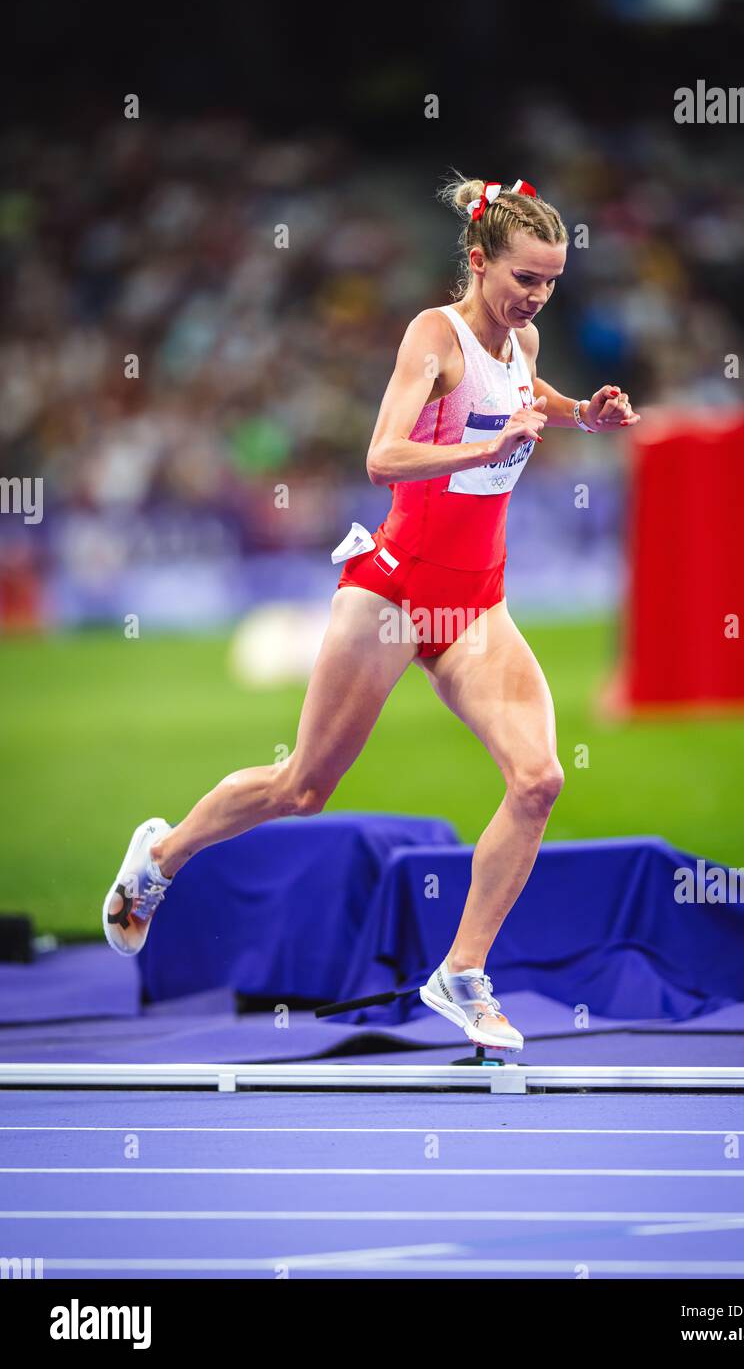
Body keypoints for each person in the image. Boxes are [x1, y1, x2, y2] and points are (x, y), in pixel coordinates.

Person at [103, 174, 640, 1053]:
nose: (537, 297)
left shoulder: (525, 339)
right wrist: (488, 443)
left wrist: (582, 413)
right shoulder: (435, 333)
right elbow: (384, 456)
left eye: (550, 283)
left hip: (475, 601)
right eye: (524, 280)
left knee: (539, 780)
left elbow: (525, 394)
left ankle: (462, 975)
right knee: (304, 788)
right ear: (478, 262)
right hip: (391, 592)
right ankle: (161, 858)